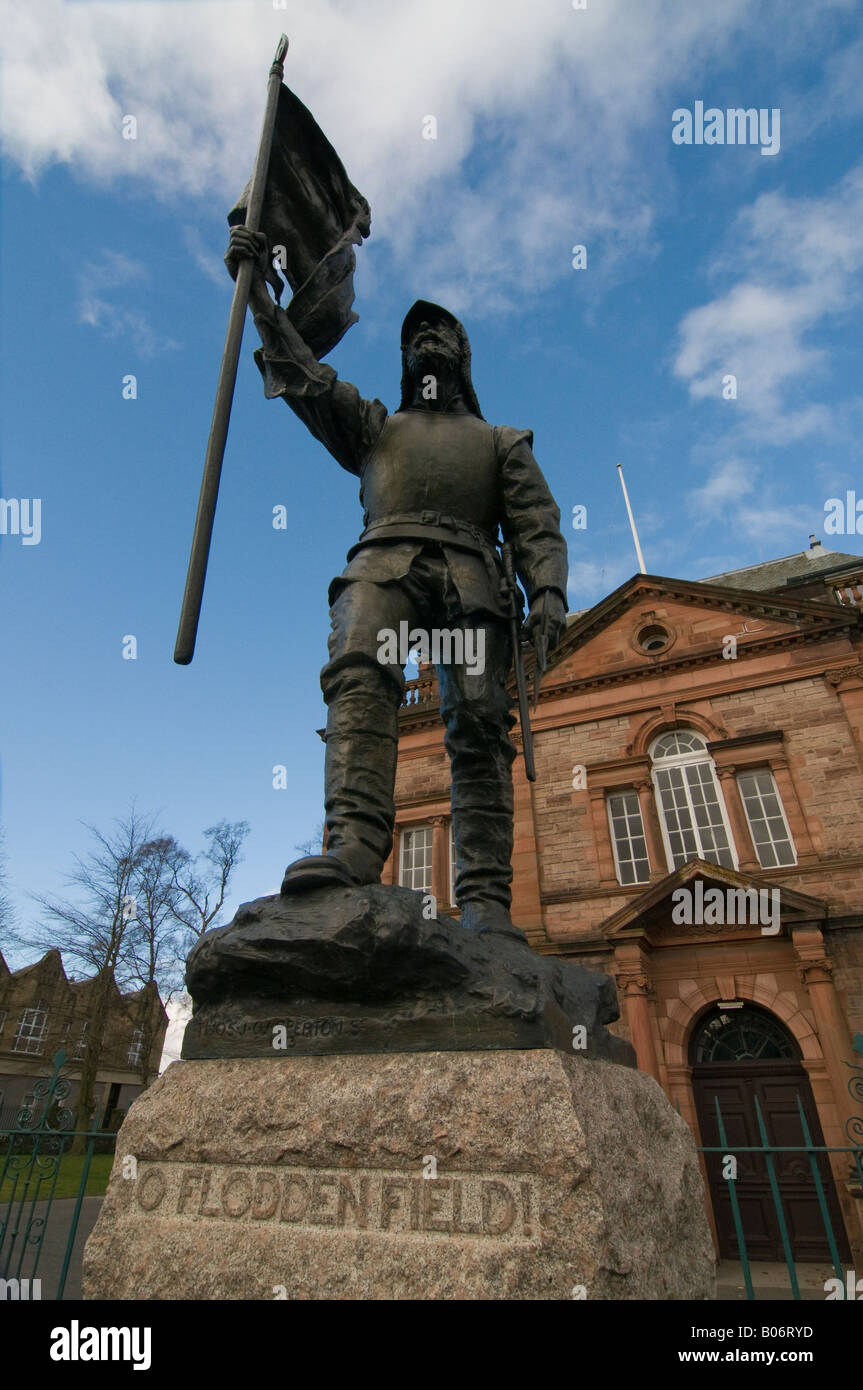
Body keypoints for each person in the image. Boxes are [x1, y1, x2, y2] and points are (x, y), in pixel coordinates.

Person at [226, 226, 568, 938]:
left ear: (463, 359)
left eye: (443, 335)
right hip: (381, 566)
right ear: (406, 360)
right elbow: (301, 373)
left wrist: (549, 594)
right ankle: (352, 845)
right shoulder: (374, 427)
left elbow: (536, 523)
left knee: (477, 725)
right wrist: (259, 290)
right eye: (418, 338)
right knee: (358, 674)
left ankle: (484, 899)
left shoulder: (501, 441)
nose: (429, 343)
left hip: (472, 582)